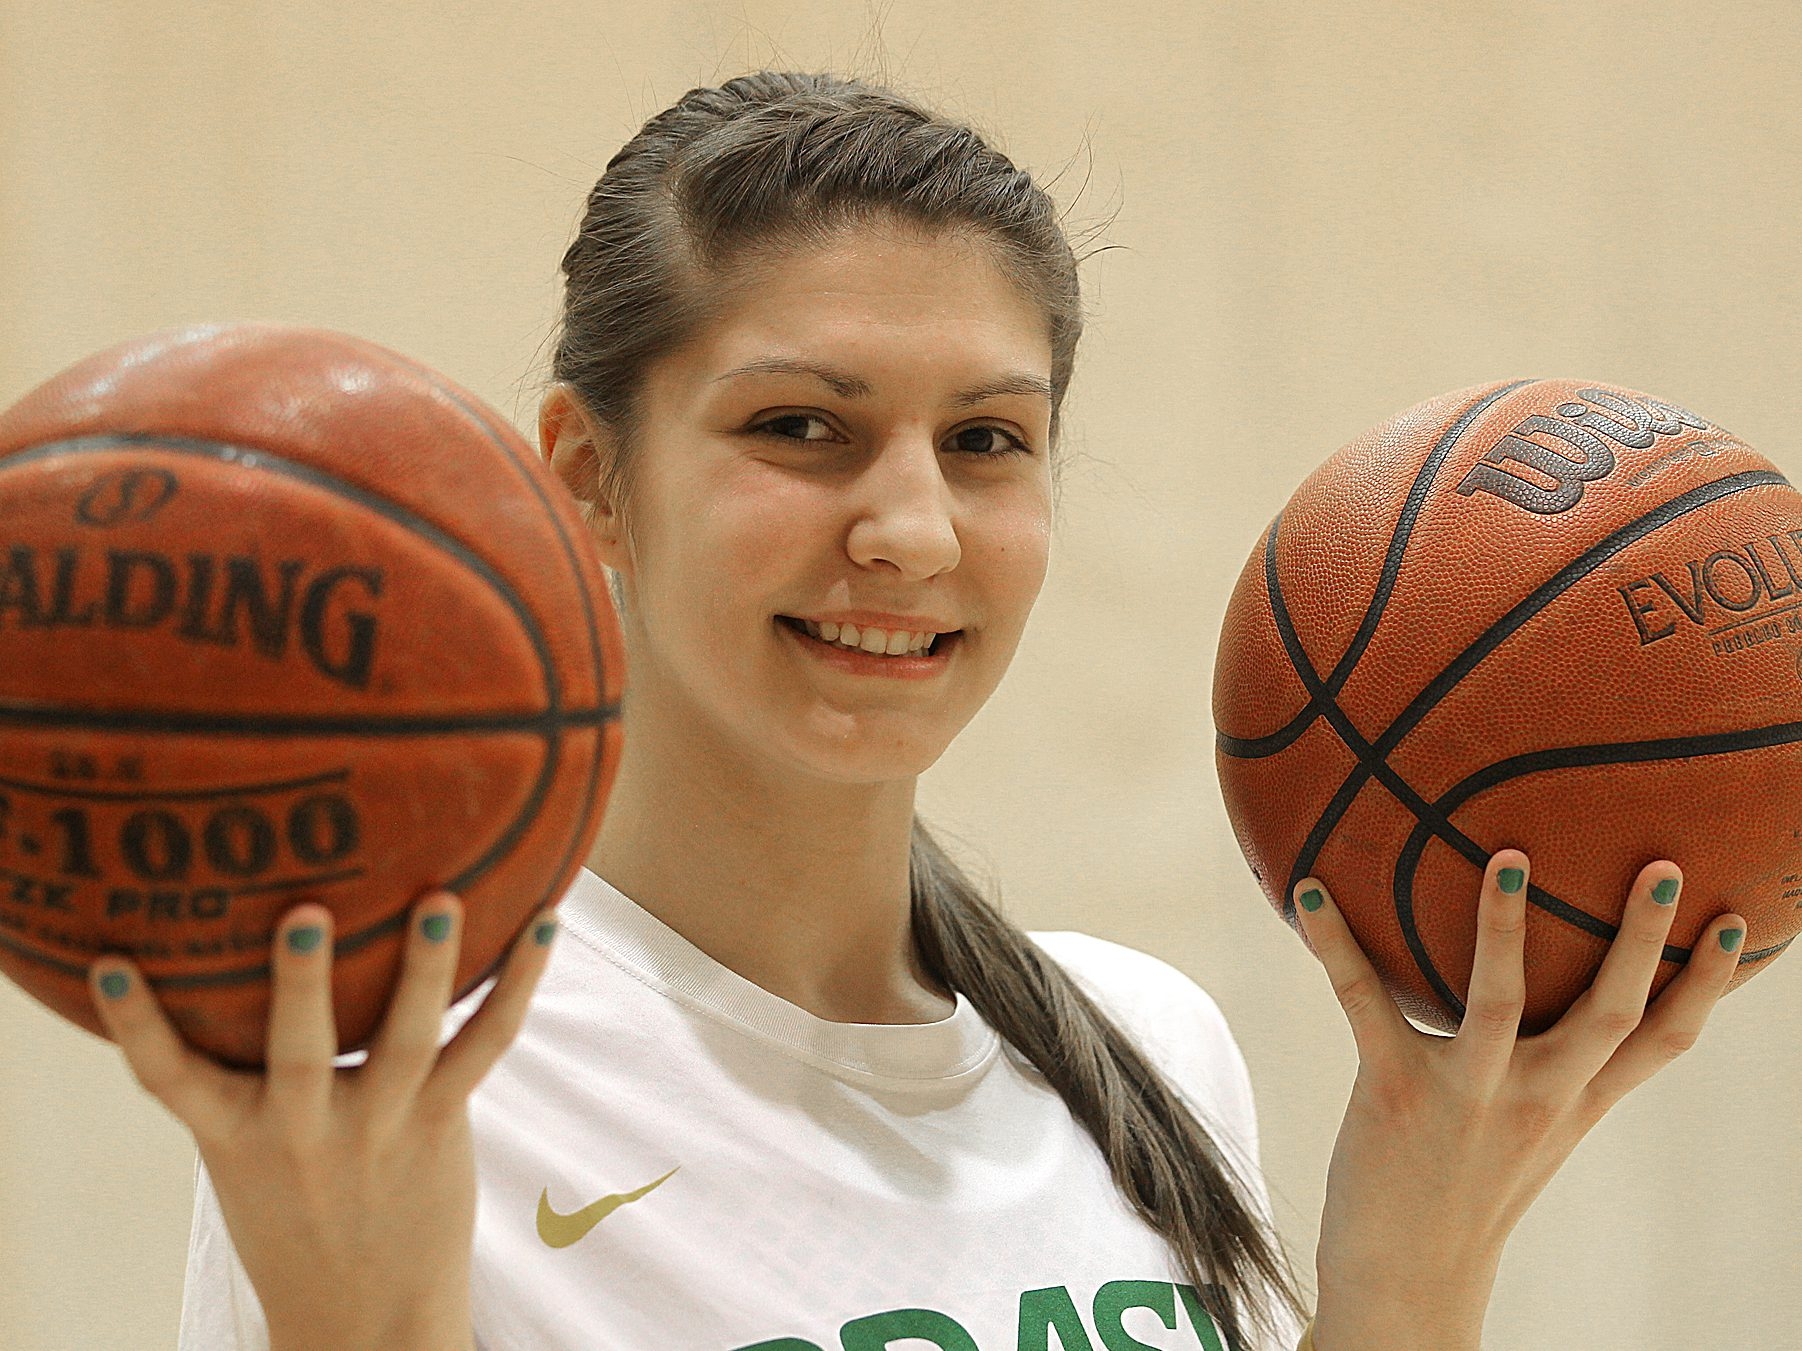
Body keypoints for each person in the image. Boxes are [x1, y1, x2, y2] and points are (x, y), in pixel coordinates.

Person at [86, 71, 1748, 1351]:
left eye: (985, 440)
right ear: (588, 478)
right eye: (803, 427)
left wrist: (1415, 1260)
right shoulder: (405, 1071)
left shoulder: (1143, 1049)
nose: (912, 530)